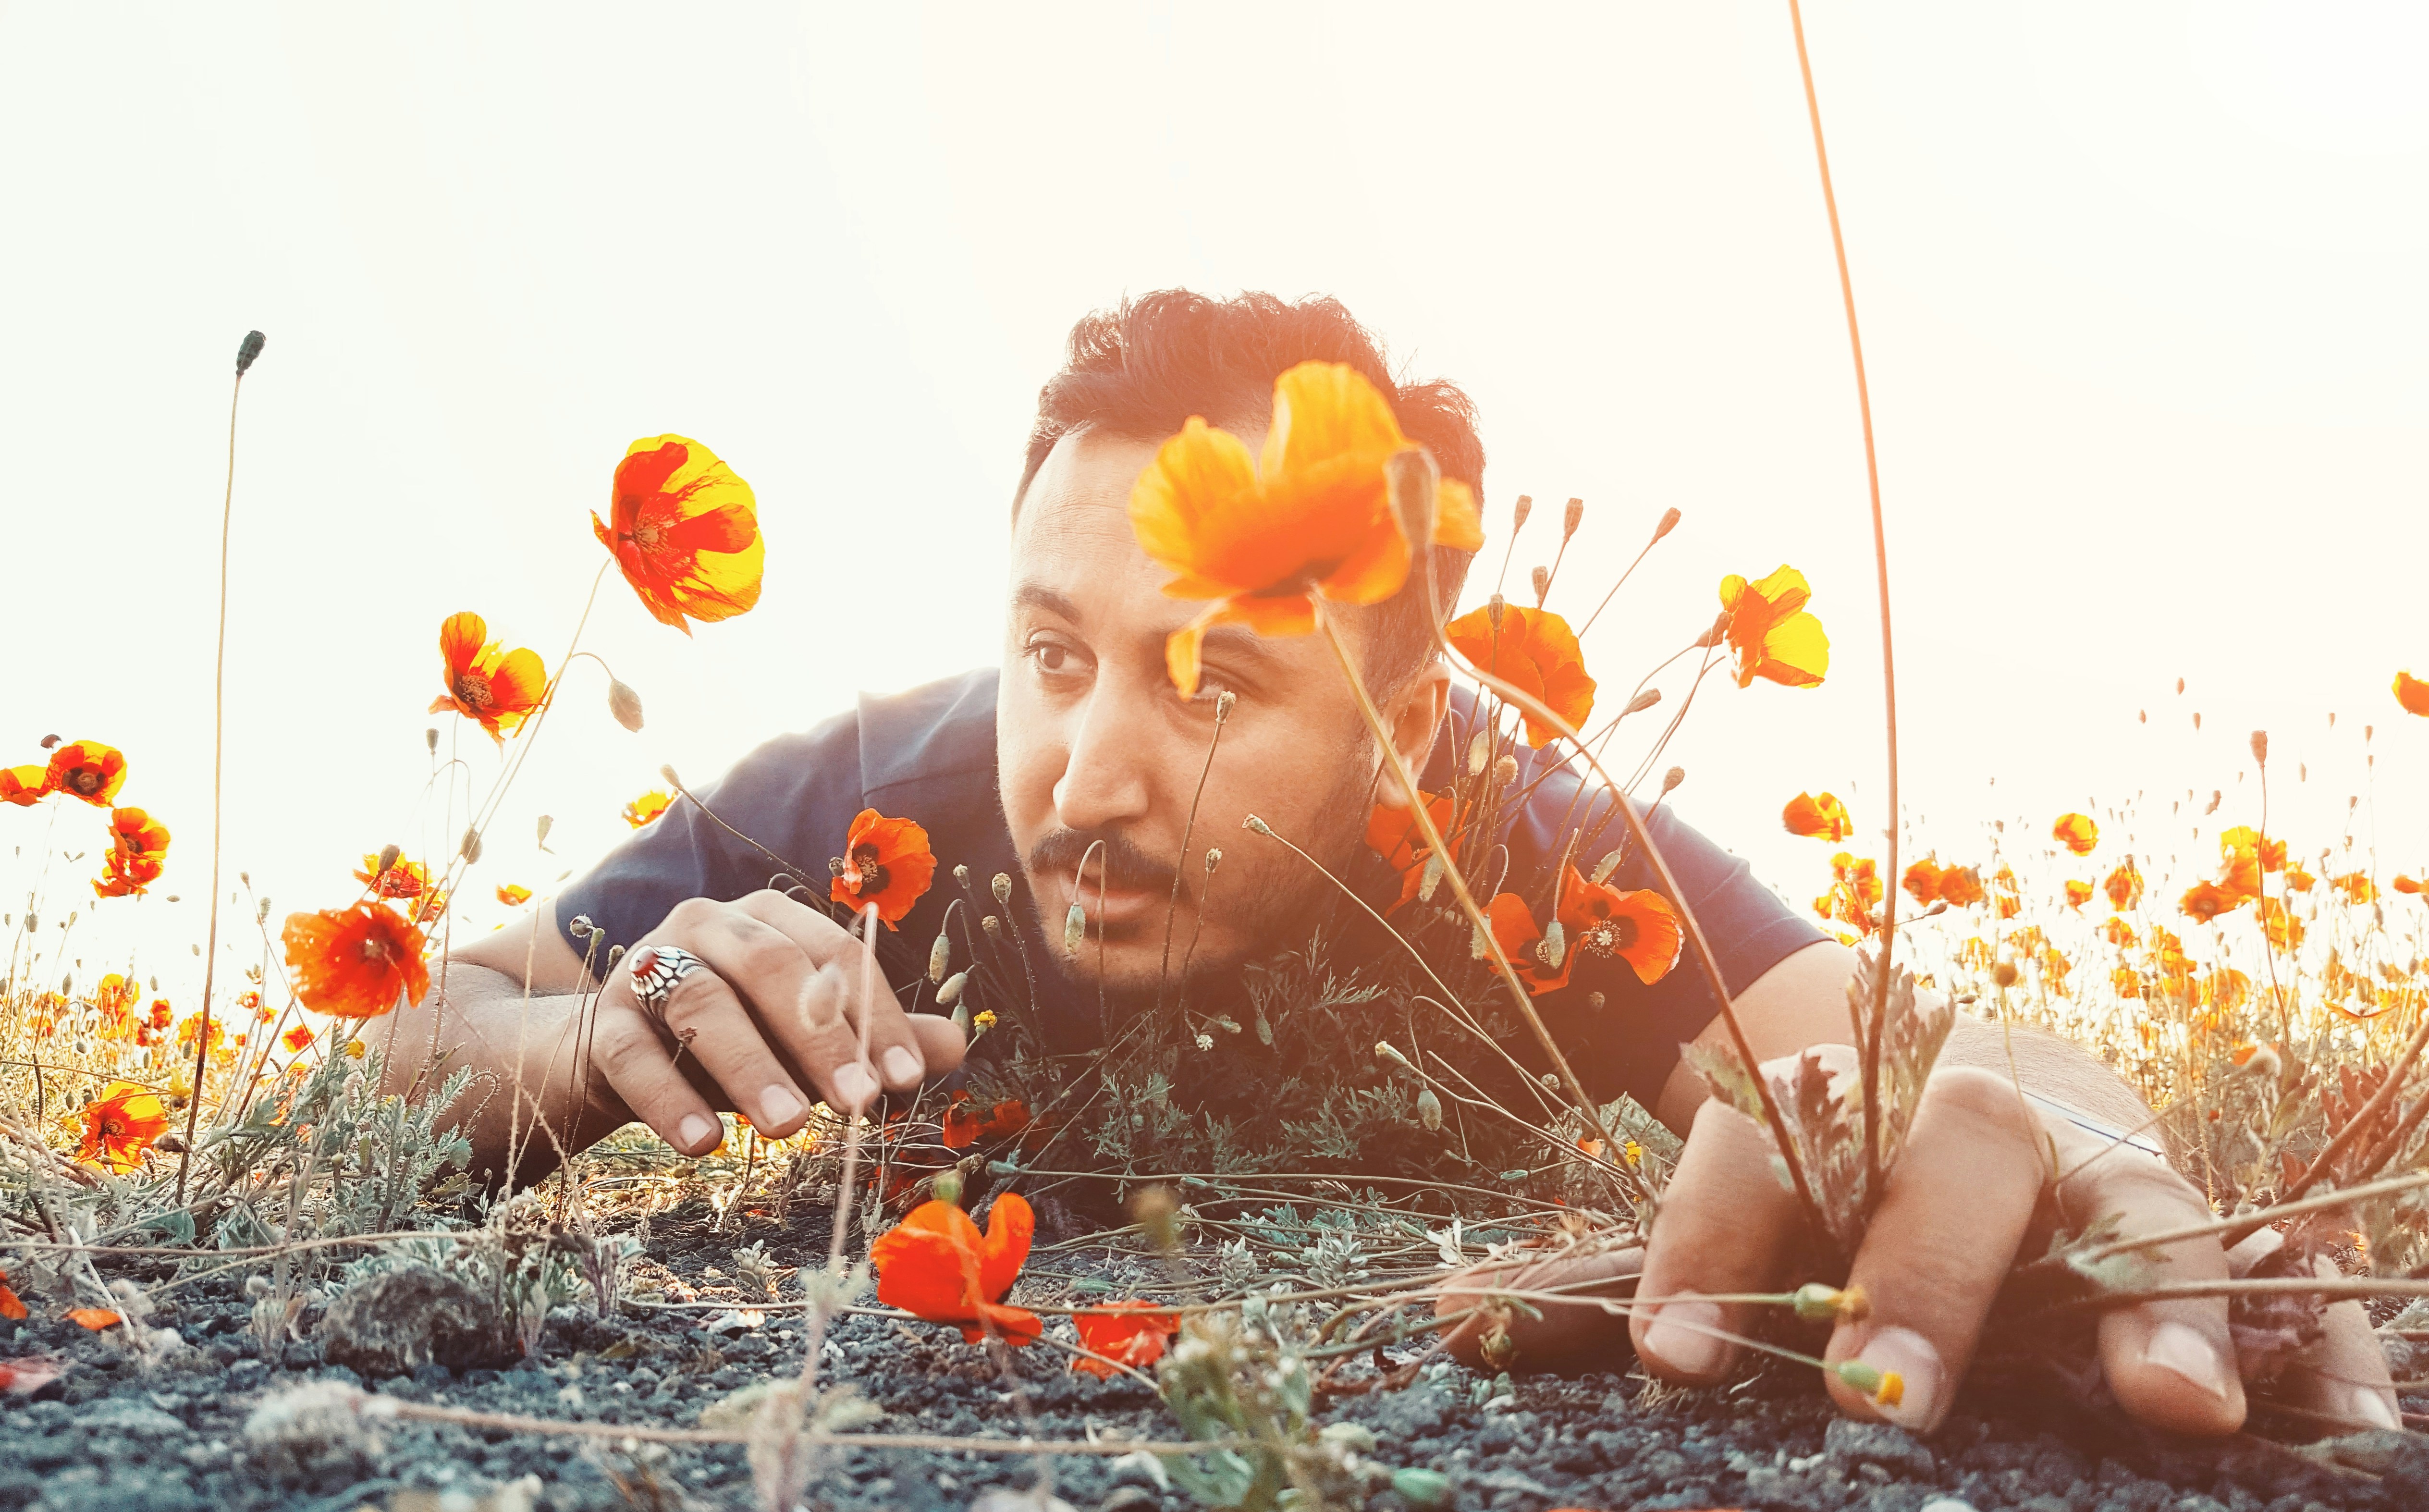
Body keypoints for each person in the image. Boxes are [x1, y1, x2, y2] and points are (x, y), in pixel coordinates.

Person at [379, 288, 2392, 1441]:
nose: (1086, 772)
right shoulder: (885, 797)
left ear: (1408, 725)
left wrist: (2070, 1137)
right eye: (1053, 654)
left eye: (1212, 681)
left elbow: (1903, 1054)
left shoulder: (1537, 854)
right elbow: (429, 1030)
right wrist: (592, 1043)